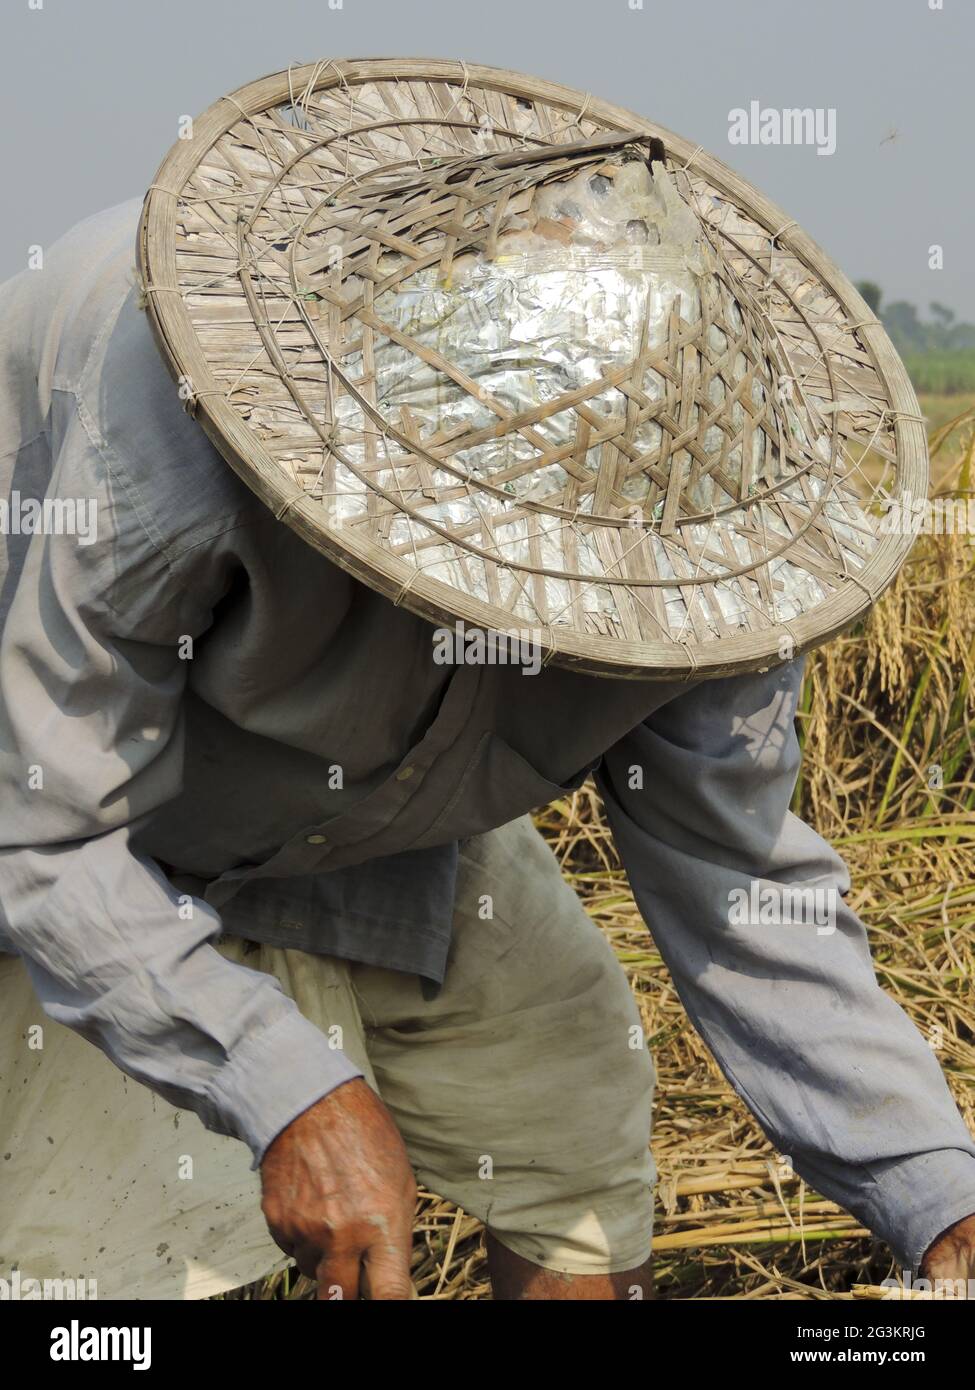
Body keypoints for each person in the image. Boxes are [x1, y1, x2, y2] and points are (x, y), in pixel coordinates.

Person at [1, 198, 974, 1301]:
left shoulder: (717, 545)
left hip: (372, 818)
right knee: (80, 1250)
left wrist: (941, 1195)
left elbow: (740, 880)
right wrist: (285, 1087)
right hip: (83, 809)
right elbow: (44, 836)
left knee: (567, 1098)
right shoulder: (168, 445)